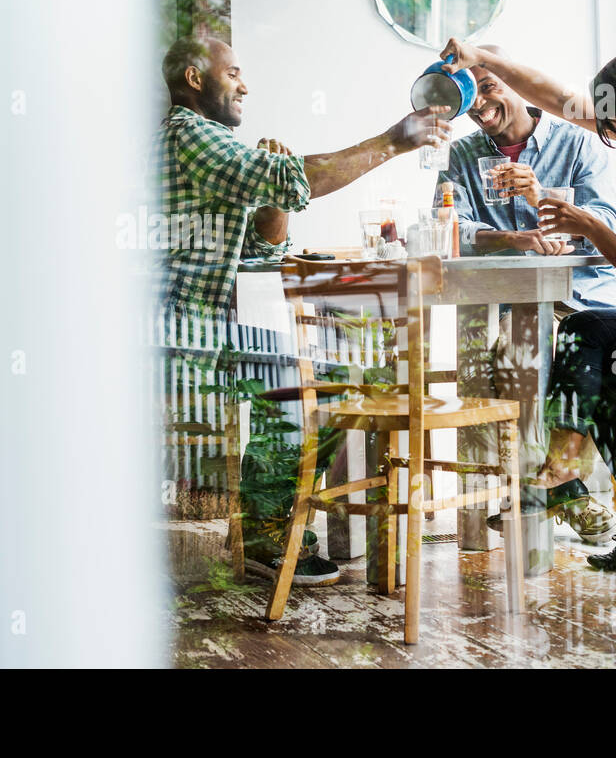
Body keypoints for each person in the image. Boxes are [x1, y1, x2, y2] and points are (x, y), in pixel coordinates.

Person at [156, 35, 449, 586]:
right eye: (234, 72)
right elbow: (298, 182)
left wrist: (272, 187)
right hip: (183, 334)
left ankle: (267, 522)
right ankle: (269, 531)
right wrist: (392, 141)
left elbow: (261, 251)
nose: (245, 84)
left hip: (198, 327)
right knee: (313, 376)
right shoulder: (191, 133)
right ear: (195, 79)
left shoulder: (208, 145)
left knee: (327, 368)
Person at [441, 37, 616, 572]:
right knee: (586, 331)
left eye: (615, 123)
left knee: (602, 371)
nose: (606, 131)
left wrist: (587, 223)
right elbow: (558, 96)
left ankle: (587, 481)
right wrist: (486, 59)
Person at [438, 43, 616, 544]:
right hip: (508, 301)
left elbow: (609, 222)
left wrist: (540, 196)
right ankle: (534, 494)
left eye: (488, 87)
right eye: (469, 98)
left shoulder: (580, 142)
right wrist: (514, 238)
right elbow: (450, 224)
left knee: (551, 349)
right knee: (503, 344)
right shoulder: (462, 154)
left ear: (517, 86)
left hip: (584, 297)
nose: (479, 106)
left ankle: (542, 492)